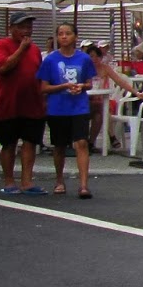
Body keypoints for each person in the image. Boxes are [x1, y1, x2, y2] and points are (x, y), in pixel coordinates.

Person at [38, 24, 98, 198]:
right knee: (59, 146)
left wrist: (81, 86)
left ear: (75, 37)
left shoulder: (84, 59)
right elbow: (44, 87)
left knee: (81, 143)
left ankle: (84, 184)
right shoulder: (50, 60)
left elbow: (89, 83)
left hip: (79, 106)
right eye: (61, 34)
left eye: (68, 33)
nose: (64, 37)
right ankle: (59, 180)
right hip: (58, 108)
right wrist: (63, 86)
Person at [0, 14, 47, 195]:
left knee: (30, 142)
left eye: (29, 27)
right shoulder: (1, 45)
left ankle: (27, 181)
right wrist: (21, 49)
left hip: (32, 103)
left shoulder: (35, 49)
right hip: (9, 104)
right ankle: (9, 181)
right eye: (22, 27)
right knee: (8, 143)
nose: (26, 31)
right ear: (12, 28)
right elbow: (3, 68)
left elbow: (39, 74)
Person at [84, 40, 143, 154]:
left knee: (99, 114)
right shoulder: (84, 68)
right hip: (85, 101)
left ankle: (91, 143)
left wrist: (136, 92)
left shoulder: (105, 68)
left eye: (97, 57)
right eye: (91, 57)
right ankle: (111, 136)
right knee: (102, 109)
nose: (94, 59)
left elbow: (120, 81)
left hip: (101, 101)